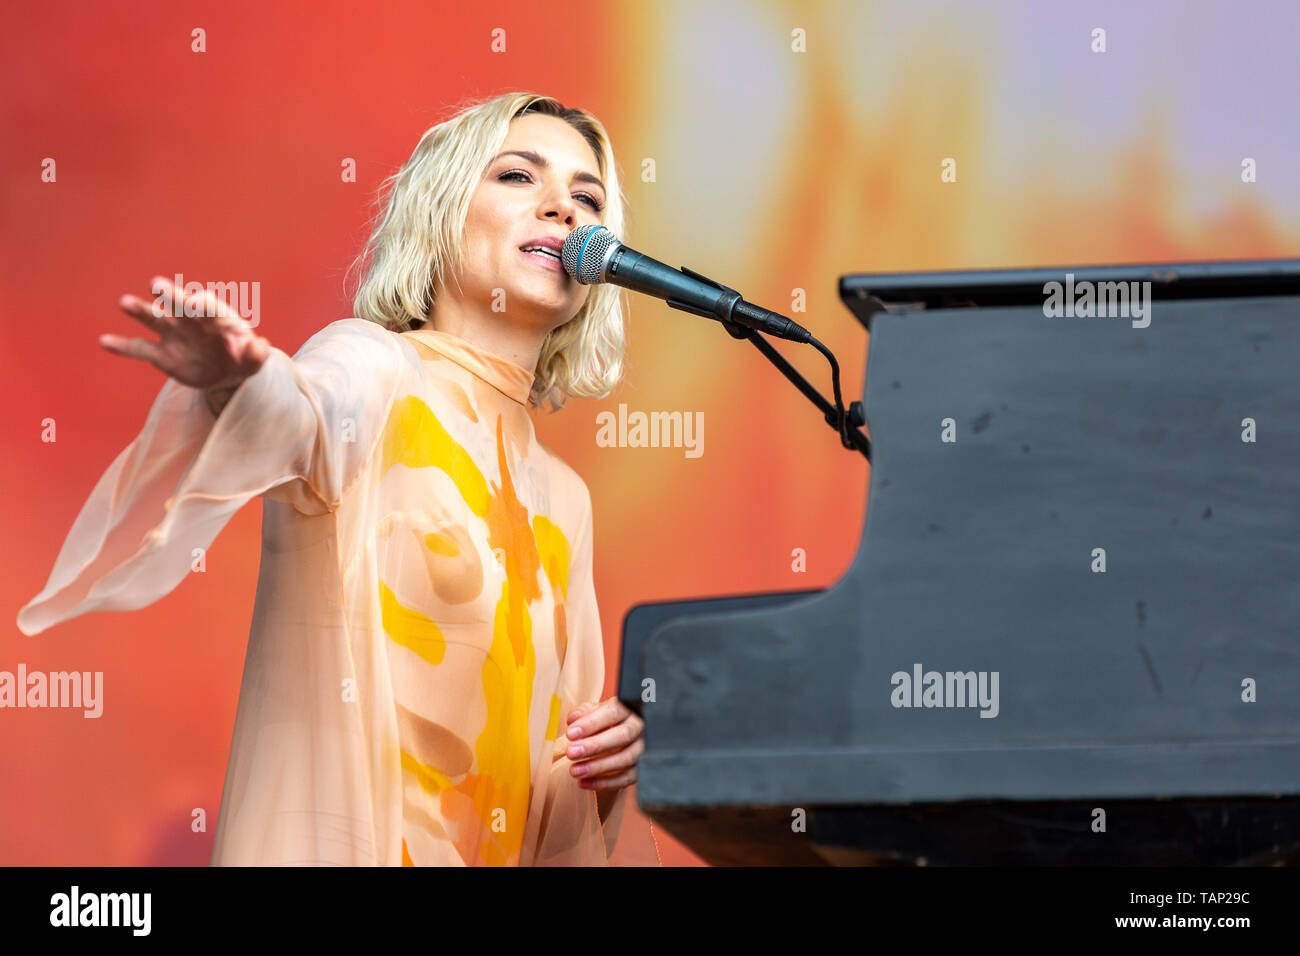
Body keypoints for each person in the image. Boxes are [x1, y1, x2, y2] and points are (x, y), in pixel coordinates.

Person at [16, 92, 661, 867]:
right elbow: (303, 419)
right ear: (439, 212)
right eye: (519, 176)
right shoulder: (370, 362)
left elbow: (560, 774)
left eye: (587, 197)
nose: (563, 208)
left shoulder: (567, 499)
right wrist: (240, 386)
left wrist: (611, 759)